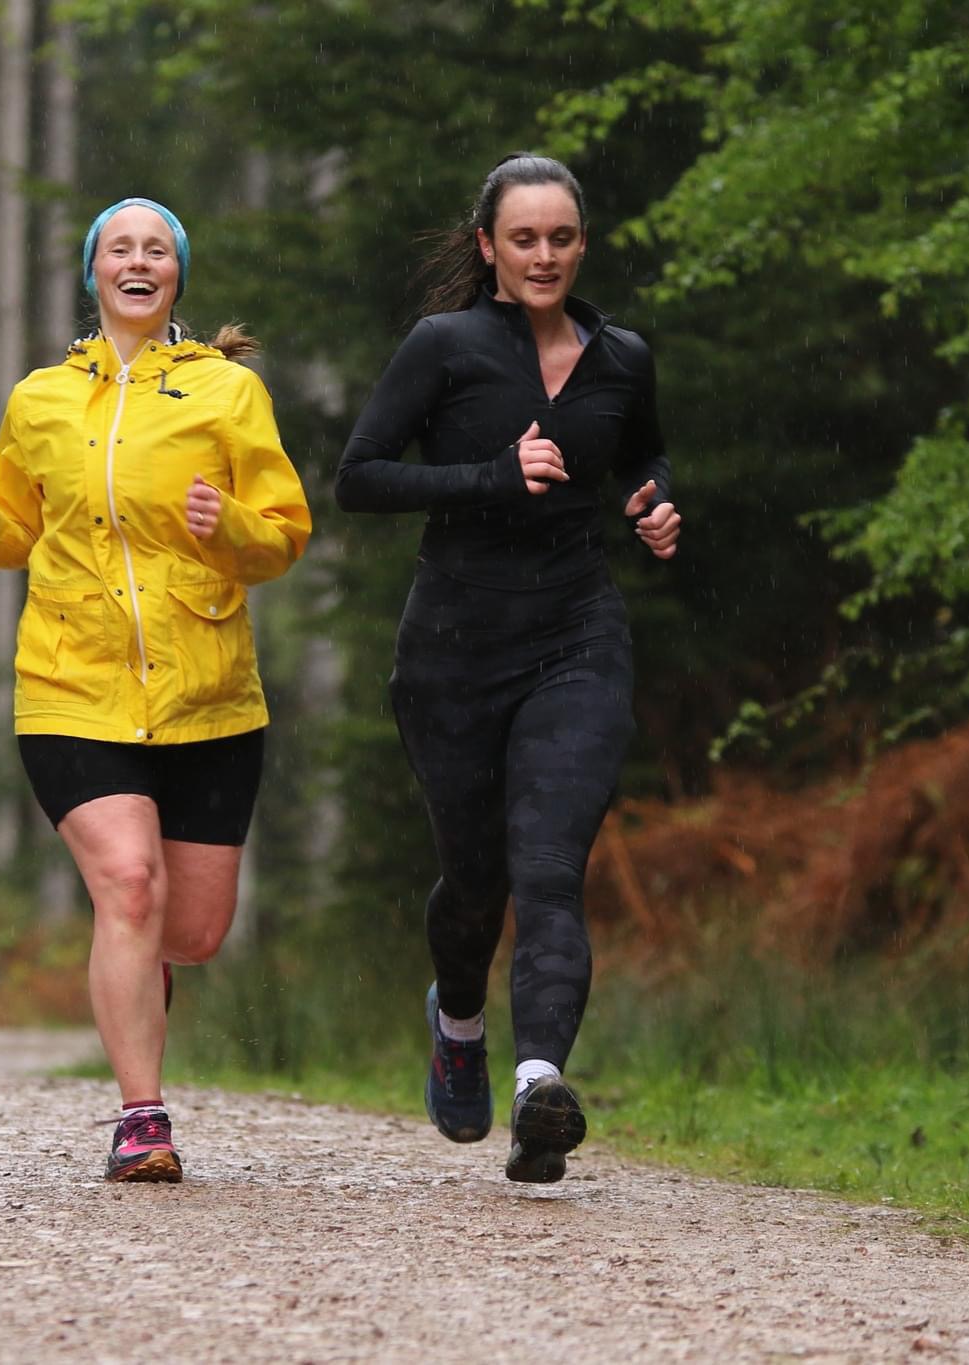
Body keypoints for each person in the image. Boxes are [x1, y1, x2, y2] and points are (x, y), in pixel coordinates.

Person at [335, 154, 680, 1184]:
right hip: (451, 646)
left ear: (582, 244)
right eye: (522, 239)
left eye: (560, 239)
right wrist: (492, 475)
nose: (543, 256)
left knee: (547, 869)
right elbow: (358, 478)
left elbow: (650, 455)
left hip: (575, 634)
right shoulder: (442, 346)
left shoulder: (621, 355)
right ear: (486, 247)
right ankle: (456, 1018)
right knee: (475, 884)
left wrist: (655, 501)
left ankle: (539, 1088)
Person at [0, 197, 311, 1183]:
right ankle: (141, 1119)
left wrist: (225, 523)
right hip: (70, 685)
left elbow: (282, 535)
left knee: (189, 933)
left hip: (206, 695)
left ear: (176, 278)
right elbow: (21, 522)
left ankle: (142, 967)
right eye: (121, 248)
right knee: (129, 884)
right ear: (94, 272)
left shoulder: (226, 392)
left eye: (157, 249)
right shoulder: (38, 400)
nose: (138, 260)